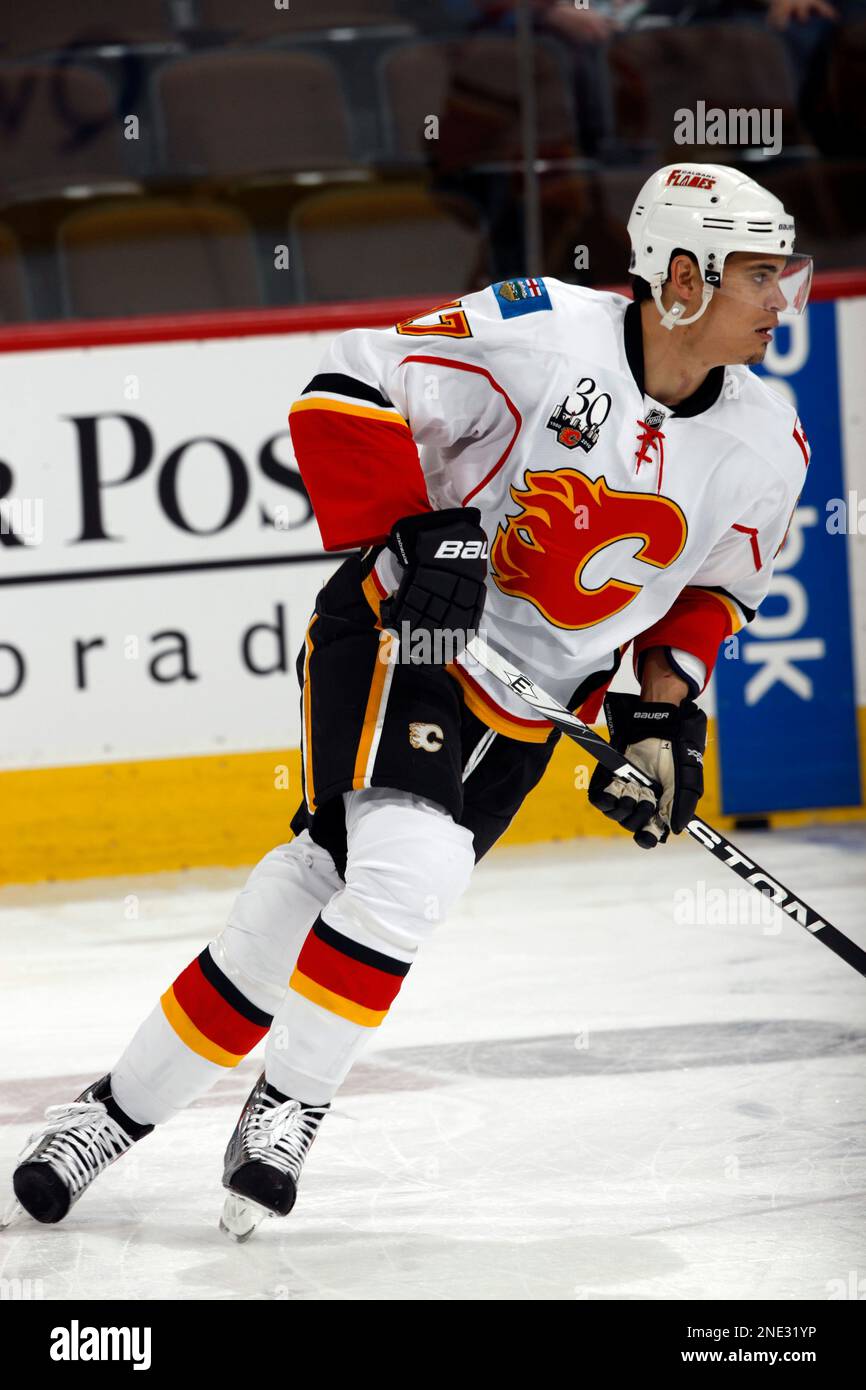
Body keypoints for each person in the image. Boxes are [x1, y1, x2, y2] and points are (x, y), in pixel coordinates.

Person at [5, 163, 813, 1242]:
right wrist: (418, 524)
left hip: (534, 701)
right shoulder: (538, 333)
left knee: (317, 885)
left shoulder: (768, 446)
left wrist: (664, 720)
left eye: (783, 274)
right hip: (409, 629)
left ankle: (108, 1112)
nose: (780, 299)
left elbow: (707, 592)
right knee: (411, 869)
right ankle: (290, 1102)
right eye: (758, 275)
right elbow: (342, 389)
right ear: (678, 277)